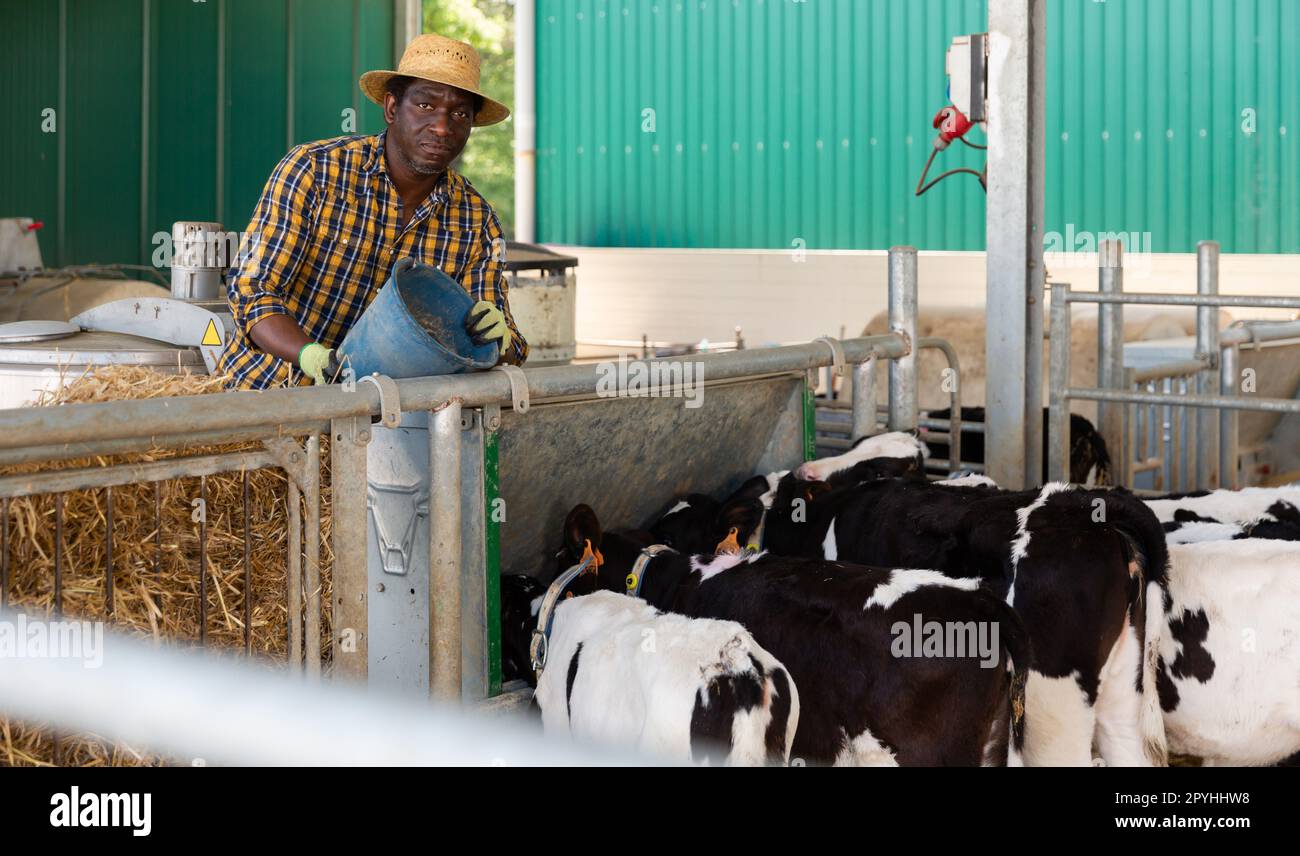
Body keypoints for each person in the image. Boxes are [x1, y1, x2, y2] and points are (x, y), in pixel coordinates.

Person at [218, 33, 527, 389]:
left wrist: (496, 338)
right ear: (392, 108)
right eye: (425, 106)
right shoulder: (315, 171)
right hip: (266, 398)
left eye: (458, 113)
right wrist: (311, 355)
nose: (442, 127)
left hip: (384, 428)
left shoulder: (476, 222)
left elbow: (508, 345)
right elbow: (252, 288)